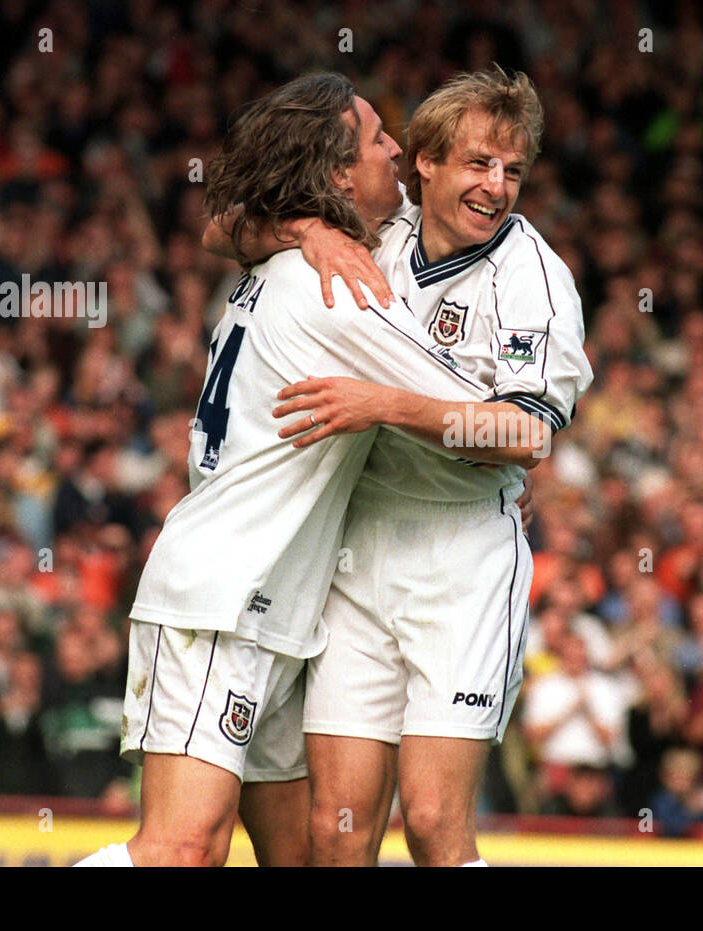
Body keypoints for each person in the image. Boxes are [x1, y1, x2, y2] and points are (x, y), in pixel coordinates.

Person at [75, 72, 498, 867]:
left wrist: (303, 225)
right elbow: (476, 422)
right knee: (183, 849)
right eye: (376, 139)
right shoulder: (333, 286)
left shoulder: (298, 256)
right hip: (221, 601)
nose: (397, 149)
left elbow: (219, 226)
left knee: (301, 855)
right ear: (339, 173)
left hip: (277, 613)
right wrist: (515, 453)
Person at [208, 68, 592, 866]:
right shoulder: (377, 230)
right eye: (478, 163)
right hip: (356, 555)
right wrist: (307, 233)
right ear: (424, 162)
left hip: (463, 566)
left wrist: (384, 404)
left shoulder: (532, 276)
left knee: (432, 824)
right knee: (335, 831)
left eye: (512, 171)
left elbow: (528, 433)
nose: (496, 188)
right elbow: (222, 229)